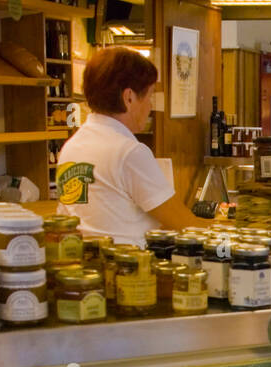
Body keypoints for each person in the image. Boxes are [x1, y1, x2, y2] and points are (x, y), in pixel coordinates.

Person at [58, 47, 202, 244]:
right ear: (129, 97)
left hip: (83, 263)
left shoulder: (71, 147)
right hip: (128, 267)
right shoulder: (130, 152)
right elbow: (185, 225)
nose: (150, 107)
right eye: (149, 96)